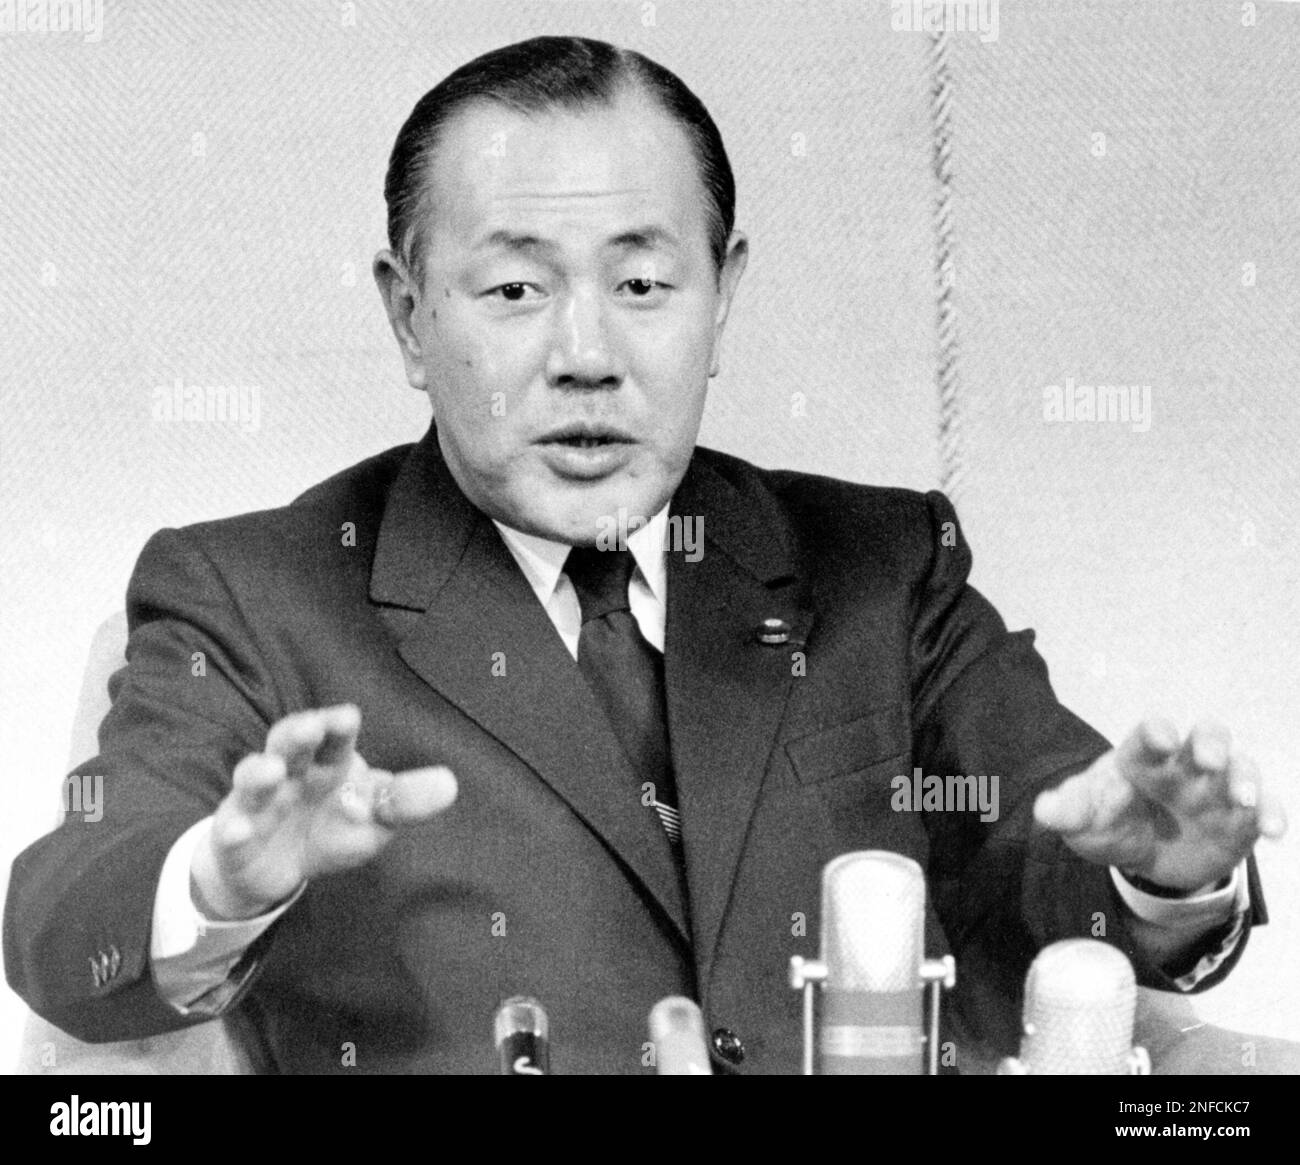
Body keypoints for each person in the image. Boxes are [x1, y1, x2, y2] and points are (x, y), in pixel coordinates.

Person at [4, 36, 1285, 1075]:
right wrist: (216, 882)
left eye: (643, 285)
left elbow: (1050, 848)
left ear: (722, 294)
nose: (586, 354)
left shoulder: (879, 561)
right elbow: (62, 922)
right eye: (514, 290)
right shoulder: (252, 593)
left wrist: (1169, 876)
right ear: (406, 315)